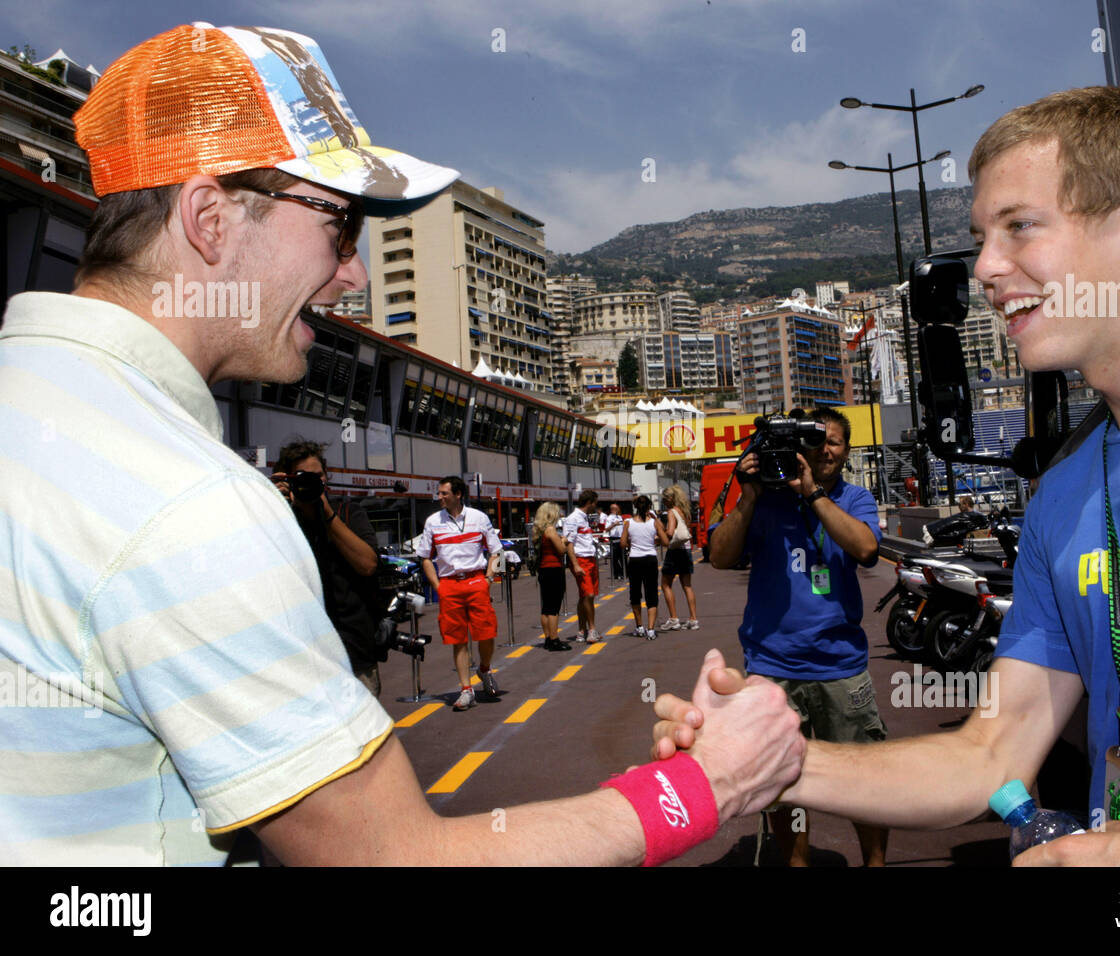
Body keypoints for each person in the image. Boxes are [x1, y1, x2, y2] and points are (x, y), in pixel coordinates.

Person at [0, 22, 807, 866]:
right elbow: (389, 856)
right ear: (209, 217)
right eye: (339, 226)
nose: (354, 272)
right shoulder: (185, 502)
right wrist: (705, 786)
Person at [656, 86, 1120, 867]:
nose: (988, 270)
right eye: (981, 238)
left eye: (1020, 227)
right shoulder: (1064, 494)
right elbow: (989, 758)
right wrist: (760, 765)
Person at [707, 406, 889, 866]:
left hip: (840, 665)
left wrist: (812, 496)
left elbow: (867, 548)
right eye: (817, 440)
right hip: (772, 666)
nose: (826, 450)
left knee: (864, 781)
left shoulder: (855, 499)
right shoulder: (765, 501)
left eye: (835, 442)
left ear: (846, 451)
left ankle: (876, 863)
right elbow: (720, 557)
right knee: (783, 787)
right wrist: (747, 497)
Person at [272, 439, 383, 695]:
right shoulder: (282, 518)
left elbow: (368, 564)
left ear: (326, 477)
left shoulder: (347, 512)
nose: (313, 482)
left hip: (352, 648)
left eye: (318, 476)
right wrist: (271, 502)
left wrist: (325, 512)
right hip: (302, 653)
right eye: (303, 477)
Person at [416, 477, 503, 710]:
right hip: (449, 585)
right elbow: (424, 557)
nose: (440, 497)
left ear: (458, 494)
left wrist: (488, 580)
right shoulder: (433, 522)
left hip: (476, 581)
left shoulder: (479, 518)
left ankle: (484, 669)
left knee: (486, 632)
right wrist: (438, 587)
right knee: (458, 639)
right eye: (439, 493)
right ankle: (466, 689)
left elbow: (497, 552)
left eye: (444, 493)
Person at [532, 501, 580, 651]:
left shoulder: (539, 530)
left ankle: (547, 638)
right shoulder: (551, 530)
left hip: (544, 569)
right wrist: (564, 541)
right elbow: (561, 550)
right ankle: (554, 639)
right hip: (553, 569)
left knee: (546, 607)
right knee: (554, 607)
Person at [623, 495, 669, 639]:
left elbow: (623, 543)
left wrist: (633, 544)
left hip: (635, 559)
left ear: (635, 507)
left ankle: (639, 626)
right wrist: (654, 542)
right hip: (650, 559)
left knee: (635, 594)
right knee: (651, 593)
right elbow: (666, 541)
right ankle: (650, 629)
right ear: (649, 507)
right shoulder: (654, 523)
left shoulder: (628, 523)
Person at [563, 490, 604, 643]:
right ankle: (592, 629)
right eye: (595, 503)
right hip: (581, 560)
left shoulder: (584, 518)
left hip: (590, 558)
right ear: (590, 502)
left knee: (585, 596)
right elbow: (569, 543)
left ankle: (582, 630)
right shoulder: (573, 519)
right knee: (588, 595)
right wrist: (575, 564)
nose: (596, 506)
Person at [658, 485, 699, 630]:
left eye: (665, 499)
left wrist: (660, 533)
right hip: (686, 549)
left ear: (671, 498)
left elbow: (670, 533)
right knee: (687, 586)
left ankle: (674, 618)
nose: (664, 501)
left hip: (675, 551)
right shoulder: (685, 512)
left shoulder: (671, 512)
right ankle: (693, 619)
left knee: (665, 584)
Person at [606, 503, 627, 581]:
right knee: (614, 558)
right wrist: (614, 524)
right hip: (614, 539)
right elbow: (607, 529)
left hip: (621, 538)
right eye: (617, 508)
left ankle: (625, 573)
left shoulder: (619, 517)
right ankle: (617, 573)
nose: (618, 509)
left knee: (623, 557)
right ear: (613, 509)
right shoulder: (609, 518)